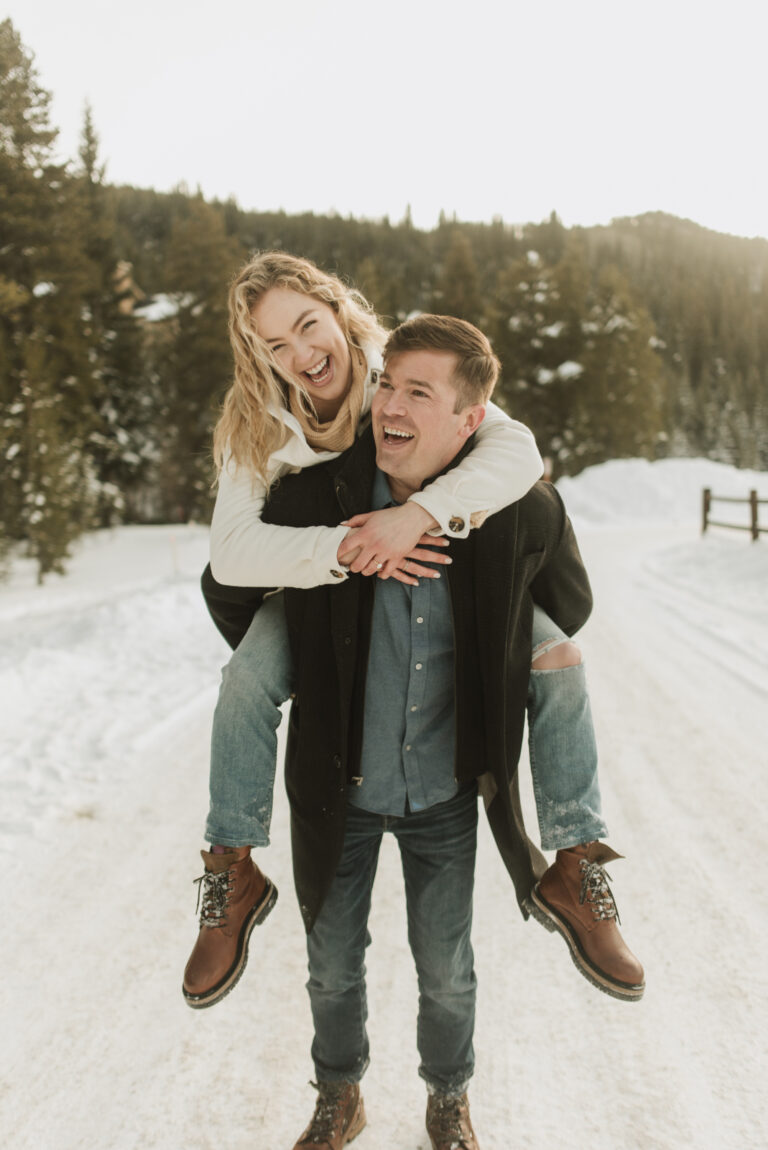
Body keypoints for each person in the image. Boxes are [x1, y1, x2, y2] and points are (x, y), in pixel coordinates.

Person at [202, 315, 644, 1150]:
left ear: (469, 421)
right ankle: (340, 1094)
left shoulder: (514, 508)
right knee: (332, 966)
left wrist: (493, 582)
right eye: (386, 386)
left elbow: (568, 602)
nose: (390, 407)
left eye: (418, 393)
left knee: (447, 970)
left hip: (444, 791)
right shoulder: (314, 503)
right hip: (340, 785)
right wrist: (314, 579)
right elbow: (227, 581)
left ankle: (450, 1099)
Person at [183, 252, 545, 1009]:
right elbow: (232, 551)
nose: (300, 355)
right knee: (245, 683)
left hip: (410, 567)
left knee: (554, 657)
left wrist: (414, 516)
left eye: (307, 326)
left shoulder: (395, 370)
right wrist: (350, 548)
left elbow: (515, 449)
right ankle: (233, 869)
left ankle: (574, 858)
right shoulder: (254, 416)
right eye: (274, 345)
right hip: (316, 586)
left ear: (337, 309)